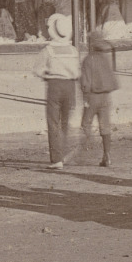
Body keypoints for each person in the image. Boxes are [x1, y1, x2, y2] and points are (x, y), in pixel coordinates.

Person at [36, 9, 81, 169]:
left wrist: (46, 74)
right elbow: (77, 71)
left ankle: (57, 158)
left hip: (55, 85)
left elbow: (38, 70)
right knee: (64, 122)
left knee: (53, 122)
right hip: (70, 86)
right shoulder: (73, 50)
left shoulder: (48, 51)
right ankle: (62, 152)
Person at [78, 9, 123, 167]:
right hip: (105, 97)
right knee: (105, 125)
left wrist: (85, 98)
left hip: (92, 97)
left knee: (86, 123)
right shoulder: (105, 59)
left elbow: (85, 83)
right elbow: (112, 79)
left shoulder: (87, 60)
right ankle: (107, 155)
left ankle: (83, 150)